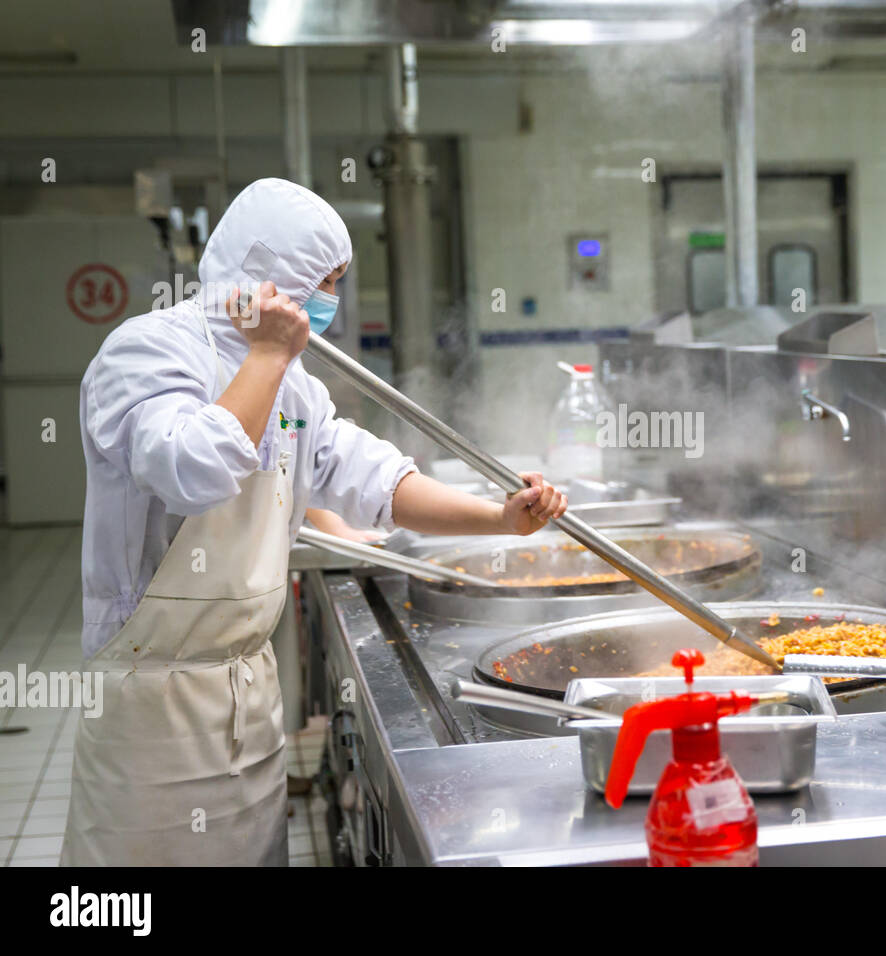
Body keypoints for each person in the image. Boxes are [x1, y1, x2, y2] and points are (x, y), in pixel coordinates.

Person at [62, 178, 567, 866]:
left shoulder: (297, 385)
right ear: (273, 274)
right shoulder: (149, 350)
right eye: (323, 281)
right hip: (153, 706)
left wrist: (499, 519)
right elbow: (191, 470)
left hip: (250, 693)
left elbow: (374, 479)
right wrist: (268, 353)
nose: (330, 299)